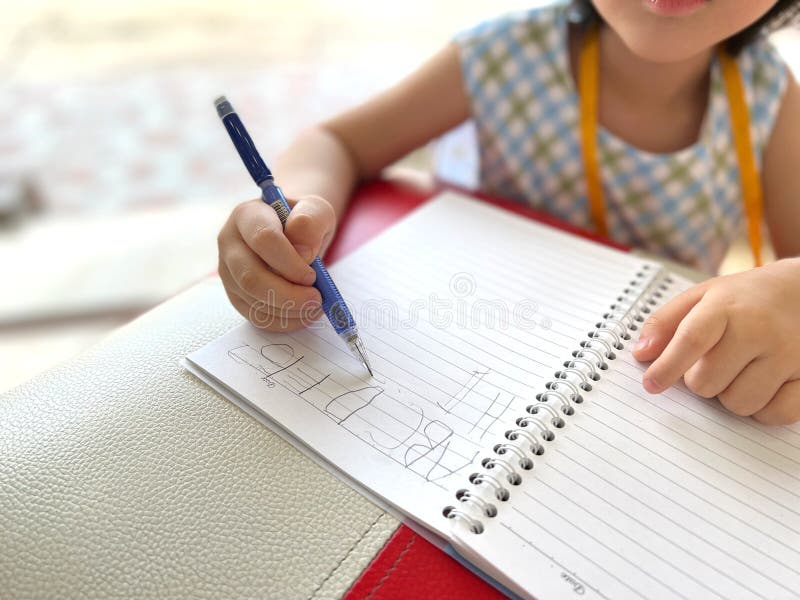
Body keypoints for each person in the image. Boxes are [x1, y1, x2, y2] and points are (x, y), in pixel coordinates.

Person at [216, 0, 800, 424]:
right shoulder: (502, 56)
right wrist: (297, 212)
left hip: (649, 413)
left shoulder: (772, 97)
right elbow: (337, 143)